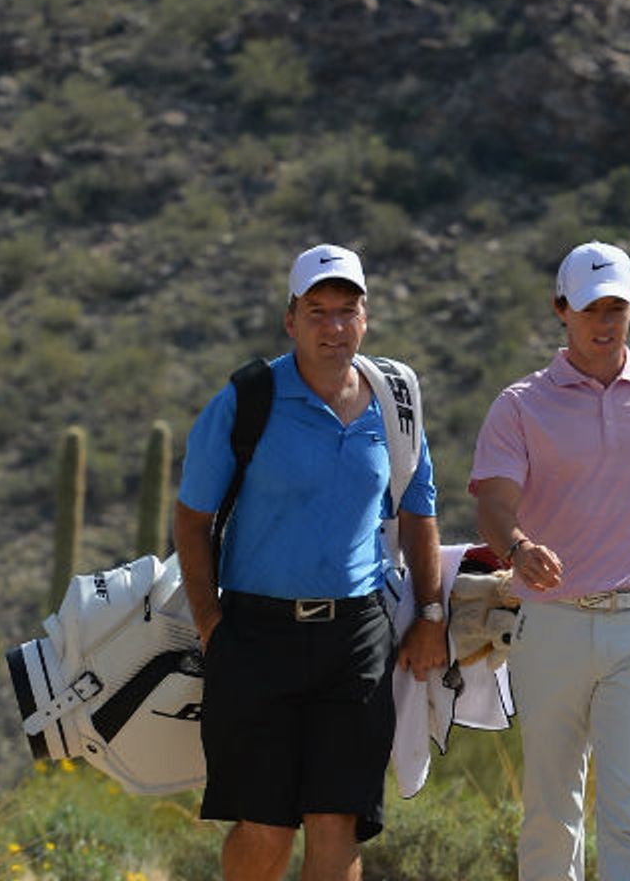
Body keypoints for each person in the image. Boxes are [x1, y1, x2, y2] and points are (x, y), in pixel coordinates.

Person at [172, 243, 447, 881]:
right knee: (265, 830)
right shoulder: (247, 400)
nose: (333, 327)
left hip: (355, 638)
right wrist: (212, 626)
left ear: (365, 318)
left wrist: (429, 611)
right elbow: (191, 518)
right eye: (316, 311)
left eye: (345, 311)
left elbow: (418, 510)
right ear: (290, 319)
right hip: (255, 636)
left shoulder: (395, 402)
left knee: (337, 821)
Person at [471, 240, 630, 881]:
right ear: (562, 310)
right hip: (548, 624)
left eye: (617, 308)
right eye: (590, 309)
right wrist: (519, 549)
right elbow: (495, 501)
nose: (604, 324)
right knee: (551, 812)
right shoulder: (520, 405)